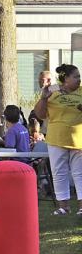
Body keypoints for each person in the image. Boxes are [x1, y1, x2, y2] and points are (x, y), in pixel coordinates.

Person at [33, 64, 82, 216]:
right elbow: (40, 115)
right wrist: (43, 98)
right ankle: (63, 207)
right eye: (76, 77)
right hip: (56, 139)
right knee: (59, 172)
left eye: (79, 77)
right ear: (65, 78)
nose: (79, 80)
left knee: (79, 173)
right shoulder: (52, 91)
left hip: (79, 140)